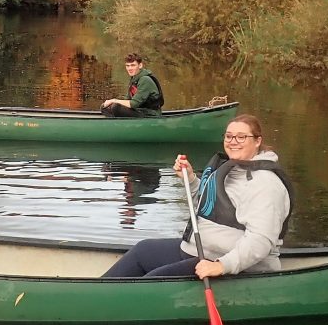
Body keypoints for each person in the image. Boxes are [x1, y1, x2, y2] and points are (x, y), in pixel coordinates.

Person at [102, 114, 293, 278]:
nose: (233, 141)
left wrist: (221, 266)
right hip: (197, 251)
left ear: (257, 141)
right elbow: (206, 207)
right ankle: (98, 292)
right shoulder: (233, 170)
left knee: (152, 281)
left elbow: (260, 240)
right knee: (143, 251)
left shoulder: (265, 184)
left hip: (229, 265)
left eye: (241, 137)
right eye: (229, 136)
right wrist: (191, 178)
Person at [100, 53, 164, 118]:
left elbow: (133, 104)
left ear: (140, 65)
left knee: (116, 107)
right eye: (127, 66)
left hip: (150, 114)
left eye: (133, 65)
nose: (129, 68)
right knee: (104, 107)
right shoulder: (134, 79)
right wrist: (111, 103)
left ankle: (121, 123)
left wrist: (114, 101)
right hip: (139, 110)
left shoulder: (145, 80)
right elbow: (127, 99)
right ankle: (118, 123)